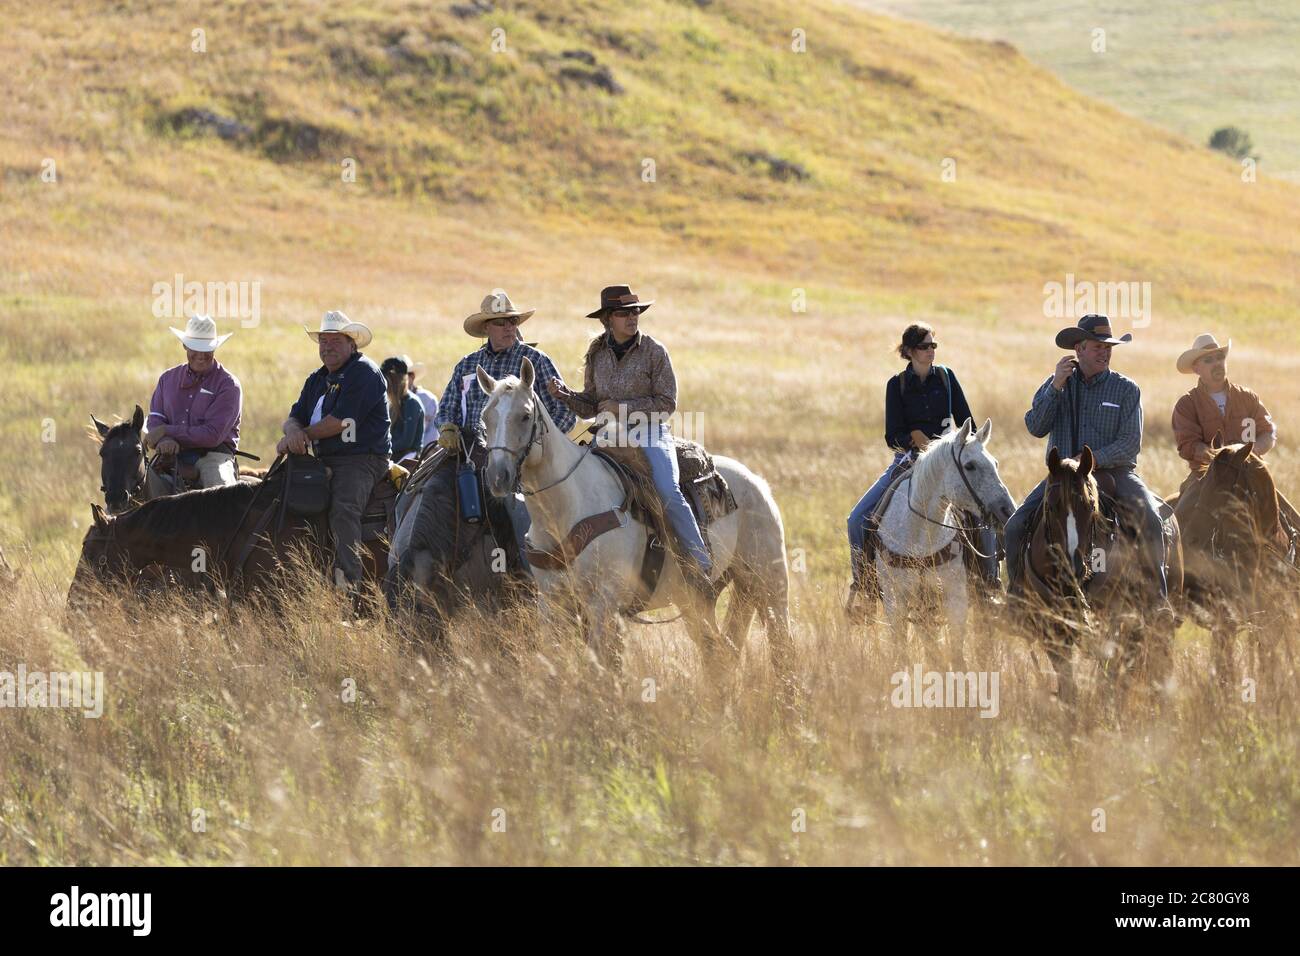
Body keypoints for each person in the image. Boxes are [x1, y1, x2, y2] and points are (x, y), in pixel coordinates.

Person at [1004, 314, 1173, 620]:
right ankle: (1017, 603)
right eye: (1097, 346)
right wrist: (1055, 386)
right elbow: (1035, 426)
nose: (1105, 351)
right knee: (1014, 526)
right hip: (1064, 477)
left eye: (1108, 347)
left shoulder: (1126, 389)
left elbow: (1129, 444)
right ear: (1078, 349)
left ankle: (1159, 600)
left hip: (1116, 473)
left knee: (1150, 517)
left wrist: (1090, 459)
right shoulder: (1057, 383)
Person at [547, 284, 713, 593]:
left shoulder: (654, 351)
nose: (632, 318)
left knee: (666, 489)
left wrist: (623, 409)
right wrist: (566, 395)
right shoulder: (597, 353)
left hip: (649, 430)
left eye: (635, 311)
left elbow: (667, 403)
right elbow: (592, 404)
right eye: (624, 313)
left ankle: (699, 564)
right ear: (607, 319)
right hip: (607, 432)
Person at [846, 323, 998, 605]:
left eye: (933, 346)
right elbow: (892, 437)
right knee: (857, 520)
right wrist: (913, 440)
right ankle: (865, 589)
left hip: (948, 464)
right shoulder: (897, 385)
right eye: (924, 347)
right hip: (909, 462)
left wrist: (959, 447)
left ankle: (989, 585)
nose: (930, 352)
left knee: (984, 515)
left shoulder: (946, 377)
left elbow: (969, 423)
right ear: (909, 352)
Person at [431, 290, 575, 576]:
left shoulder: (535, 362)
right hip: (469, 453)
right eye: (500, 322)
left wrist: (533, 447)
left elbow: (565, 412)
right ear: (486, 328)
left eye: (512, 321)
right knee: (427, 494)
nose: (509, 327)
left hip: (521, 458)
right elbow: (446, 407)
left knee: (516, 508)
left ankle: (526, 571)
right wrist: (447, 427)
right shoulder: (467, 365)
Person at [278, 311, 391, 589]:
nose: (327, 346)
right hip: (322, 457)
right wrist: (293, 431)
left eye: (335, 340)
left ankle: (348, 583)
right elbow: (294, 415)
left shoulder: (364, 372)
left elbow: (342, 421)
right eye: (323, 340)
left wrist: (302, 435)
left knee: (343, 508)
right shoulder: (316, 379)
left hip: (362, 459)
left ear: (352, 344)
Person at [1170, 332, 1298, 533]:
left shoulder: (1247, 397)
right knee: (1180, 524)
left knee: (1293, 523)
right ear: (1196, 368)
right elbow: (1188, 445)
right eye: (1209, 360)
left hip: (1251, 475)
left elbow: (1268, 432)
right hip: (1205, 477)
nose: (1217, 363)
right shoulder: (1187, 404)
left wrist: (1251, 452)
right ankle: (1177, 559)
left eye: (1220, 357)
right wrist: (1220, 458)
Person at [143, 314, 242, 493]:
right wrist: (164, 440)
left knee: (220, 492)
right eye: (195, 349)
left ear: (215, 348)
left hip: (214, 456)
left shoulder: (228, 385)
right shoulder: (167, 379)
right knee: (135, 485)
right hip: (171, 456)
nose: (201, 355)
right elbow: (155, 419)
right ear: (185, 346)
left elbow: (212, 435)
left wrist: (166, 431)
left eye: (207, 349)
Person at [381, 355, 425, 466]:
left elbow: (406, 441)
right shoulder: (394, 403)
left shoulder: (411, 403)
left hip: (408, 457)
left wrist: (381, 448)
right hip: (394, 453)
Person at [407, 359, 441, 450]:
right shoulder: (391, 399)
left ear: (412, 377)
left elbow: (433, 430)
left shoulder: (428, 399)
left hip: (425, 450)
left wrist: (421, 450)